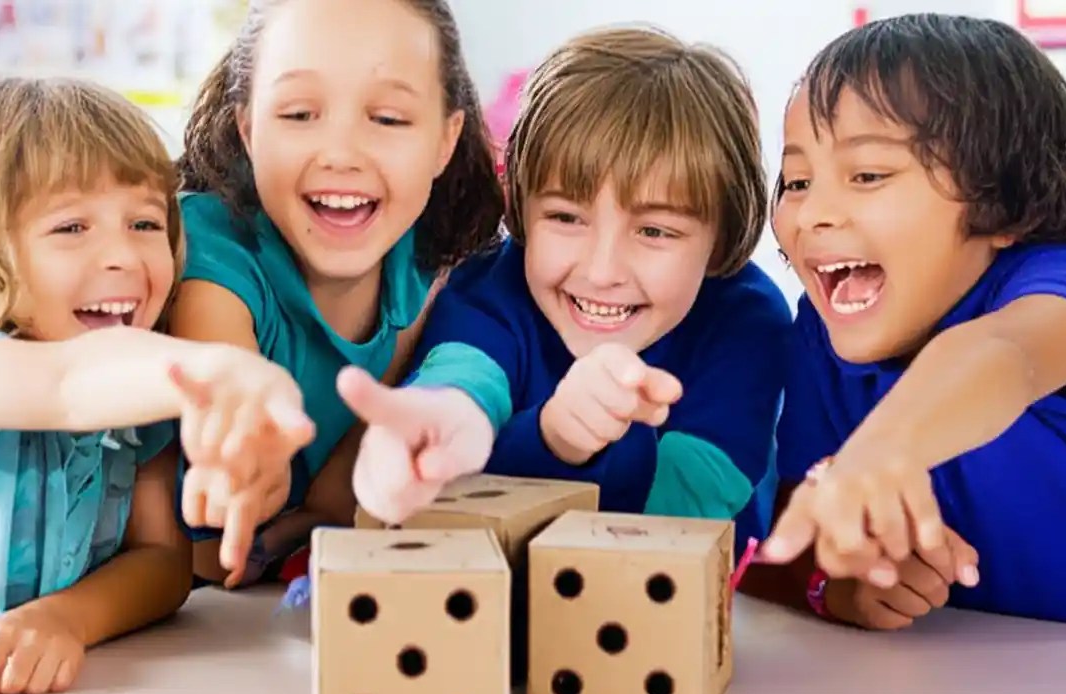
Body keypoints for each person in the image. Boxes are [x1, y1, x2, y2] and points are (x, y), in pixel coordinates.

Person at [0, 76, 309, 694]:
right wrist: (225, 371)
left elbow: (162, 563)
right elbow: (66, 383)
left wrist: (63, 619)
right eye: (71, 227)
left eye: (145, 221)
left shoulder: (135, 399)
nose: (123, 255)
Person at [339, 26, 791, 559]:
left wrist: (566, 443)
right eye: (565, 217)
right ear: (522, 209)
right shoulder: (490, 288)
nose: (601, 272)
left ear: (720, 241)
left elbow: (687, 526)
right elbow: (462, 382)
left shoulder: (746, 324)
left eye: (654, 231)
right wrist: (437, 427)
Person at [744, 14, 1066, 630]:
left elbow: (1003, 353)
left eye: (867, 175)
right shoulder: (825, 329)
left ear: (1006, 201)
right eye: (798, 180)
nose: (812, 213)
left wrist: (882, 449)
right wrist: (838, 589)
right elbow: (787, 539)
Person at [171, 0, 503, 586]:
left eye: (389, 119)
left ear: (445, 141)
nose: (343, 154)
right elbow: (223, 372)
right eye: (300, 113)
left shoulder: (433, 262)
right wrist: (247, 453)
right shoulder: (211, 245)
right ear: (248, 129)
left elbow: (377, 415)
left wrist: (324, 511)